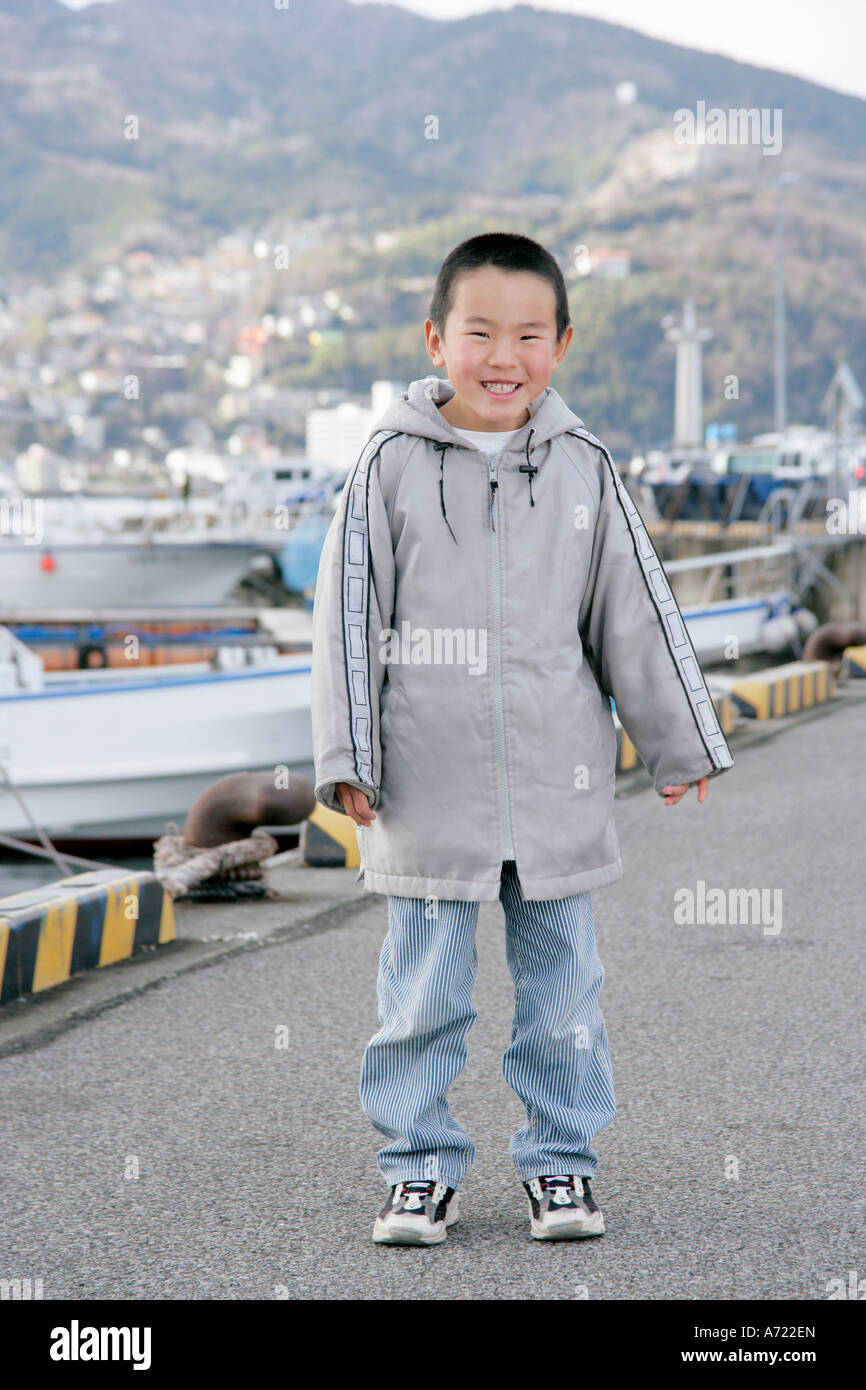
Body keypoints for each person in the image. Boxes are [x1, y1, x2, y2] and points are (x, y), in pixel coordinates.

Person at [311, 231, 734, 1246]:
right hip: (427, 782)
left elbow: (631, 611)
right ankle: (416, 1166)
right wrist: (349, 760)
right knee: (420, 994)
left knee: (563, 997)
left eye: (528, 334)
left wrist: (676, 745)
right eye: (479, 332)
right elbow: (347, 618)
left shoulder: (584, 468)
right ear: (434, 338)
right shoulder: (389, 465)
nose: (504, 356)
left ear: (561, 343)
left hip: (554, 780)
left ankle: (561, 1163)